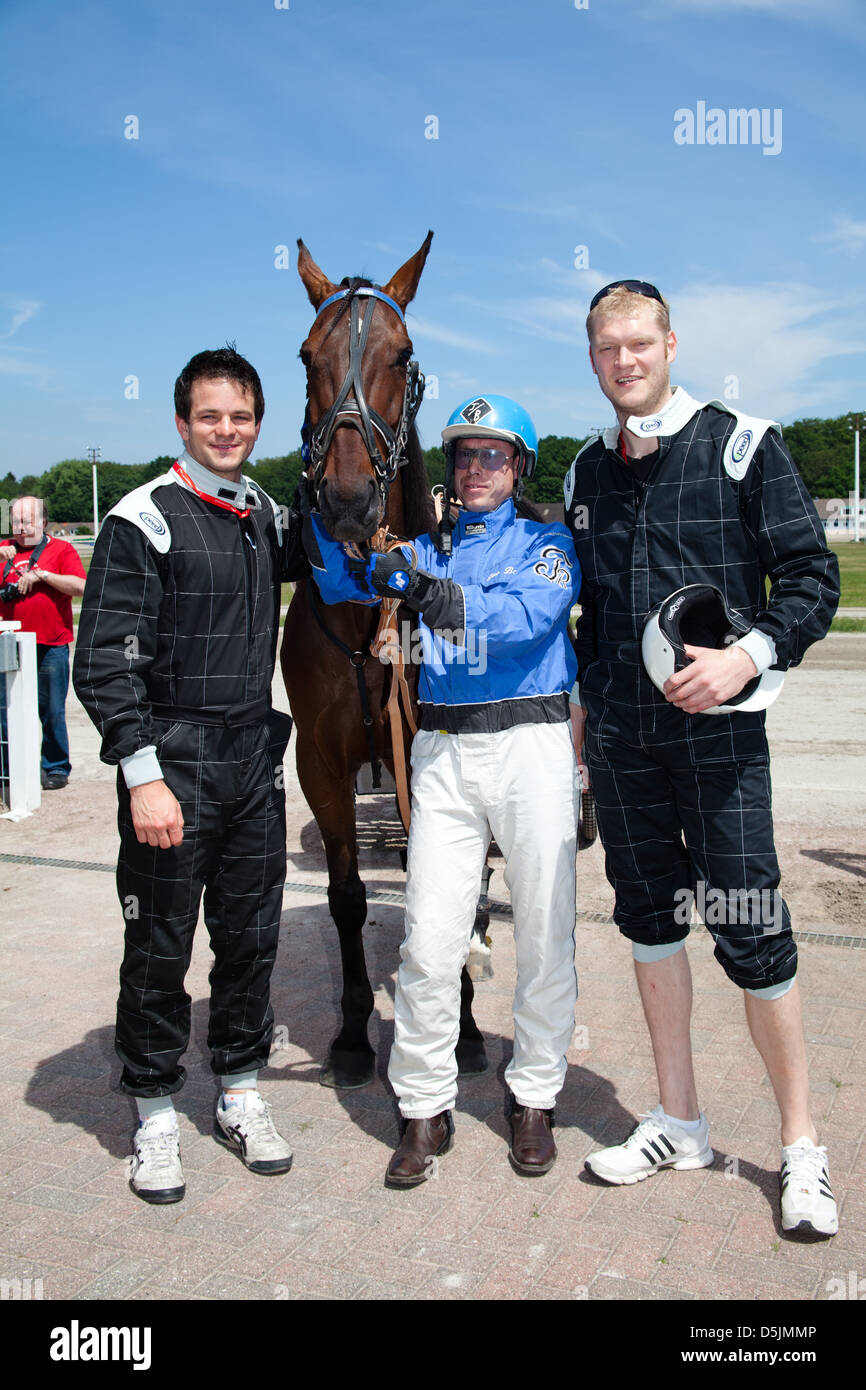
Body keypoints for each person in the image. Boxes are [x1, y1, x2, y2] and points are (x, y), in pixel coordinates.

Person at [565, 280, 840, 1237]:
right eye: (608, 349)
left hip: (721, 744)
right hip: (625, 747)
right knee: (647, 922)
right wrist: (581, 724)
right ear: (592, 358)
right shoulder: (583, 476)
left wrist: (745, 657)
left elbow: (813, 576)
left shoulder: (743, 445)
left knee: (753, 931)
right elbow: (593, 618)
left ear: (671, 344)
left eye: (640, 343)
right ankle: (679, 1119)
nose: (626, 361)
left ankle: (802, 1144)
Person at [305, 394, 581, 1186]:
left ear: (519, 465)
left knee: (543, 932)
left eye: (493, 455)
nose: (475, 469)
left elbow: (519, 624)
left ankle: (533, 1098)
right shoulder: (426, 545)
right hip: (445, 753)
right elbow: (341, 576)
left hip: (530, 745)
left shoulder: (548, 541)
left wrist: (420, 590)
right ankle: (423, 1107)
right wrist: (326, 507)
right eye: (464, 456)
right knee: (427, 940)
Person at [73, 347, 308, 1204]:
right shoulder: (144, 518)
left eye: (241, 416)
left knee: (251, 938)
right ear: (182, 422)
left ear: (257, 423)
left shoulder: (264, 513)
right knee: (160, 944)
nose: (226, 430)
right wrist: (143, 775)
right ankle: (156, 1110)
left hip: (253, 760)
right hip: (171, 765)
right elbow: (101, 661)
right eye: (210, 416)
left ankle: (240, 1092)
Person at [0, 497, 86, 790]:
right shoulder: (3, 551)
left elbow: (81, 586)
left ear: (43, 523)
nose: (21, 528)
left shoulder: (61, 549)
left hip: (51, 643)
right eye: (16, 522)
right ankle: (8, 768)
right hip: (7, 643)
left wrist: (43, 576)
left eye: (27, 522)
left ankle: (56, 767)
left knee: (51, 710)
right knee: (5, 709)